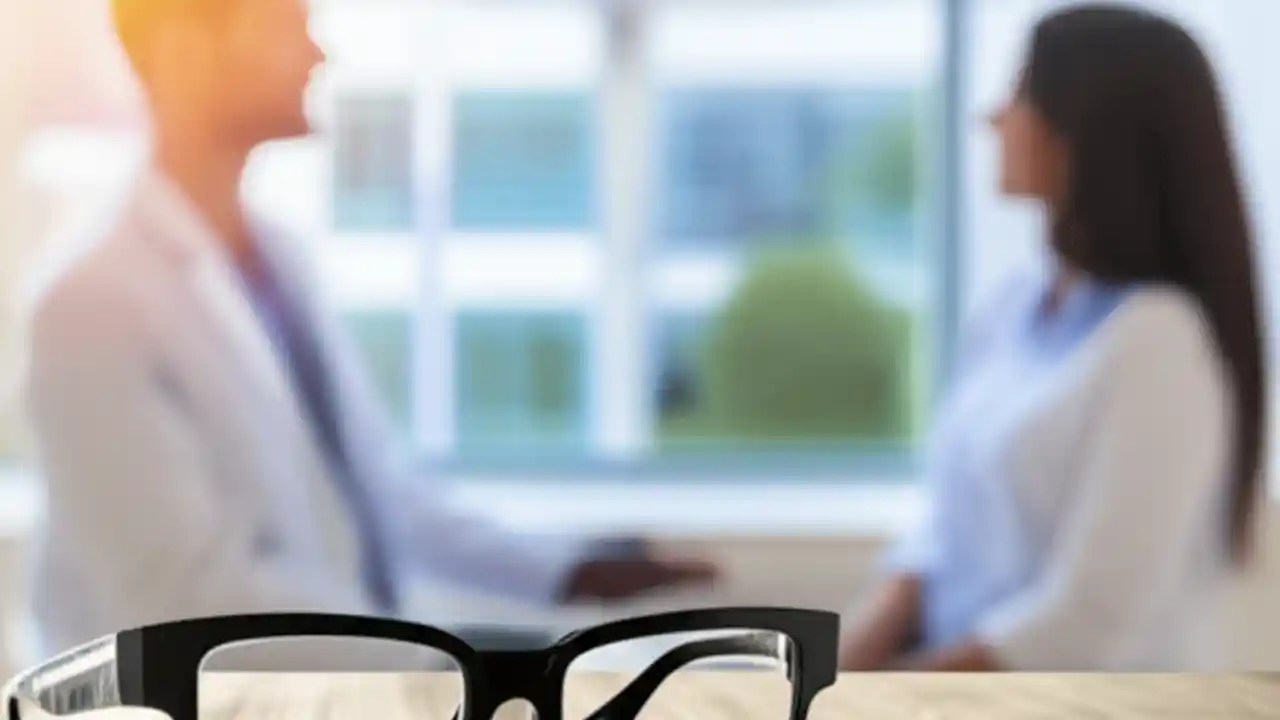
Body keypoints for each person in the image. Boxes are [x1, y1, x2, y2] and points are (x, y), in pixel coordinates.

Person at [21, 0, 716, 655]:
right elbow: (186, 601)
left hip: (324, 685)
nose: (318, 52)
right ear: (185, 53)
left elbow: (378, 491)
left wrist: (570, 574)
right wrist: (457, 658)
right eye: (287, 26)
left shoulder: (278, 258)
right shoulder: (89, 305)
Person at [840, 5, 1267, 672]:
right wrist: (846, 666)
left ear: (1086, 133)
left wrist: (883, 702)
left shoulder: (1159, 343)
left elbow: (1084, 623)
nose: (995, 119)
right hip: (938, 689)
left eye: (1020, 94)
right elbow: (945, 527)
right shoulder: (1014, 305)